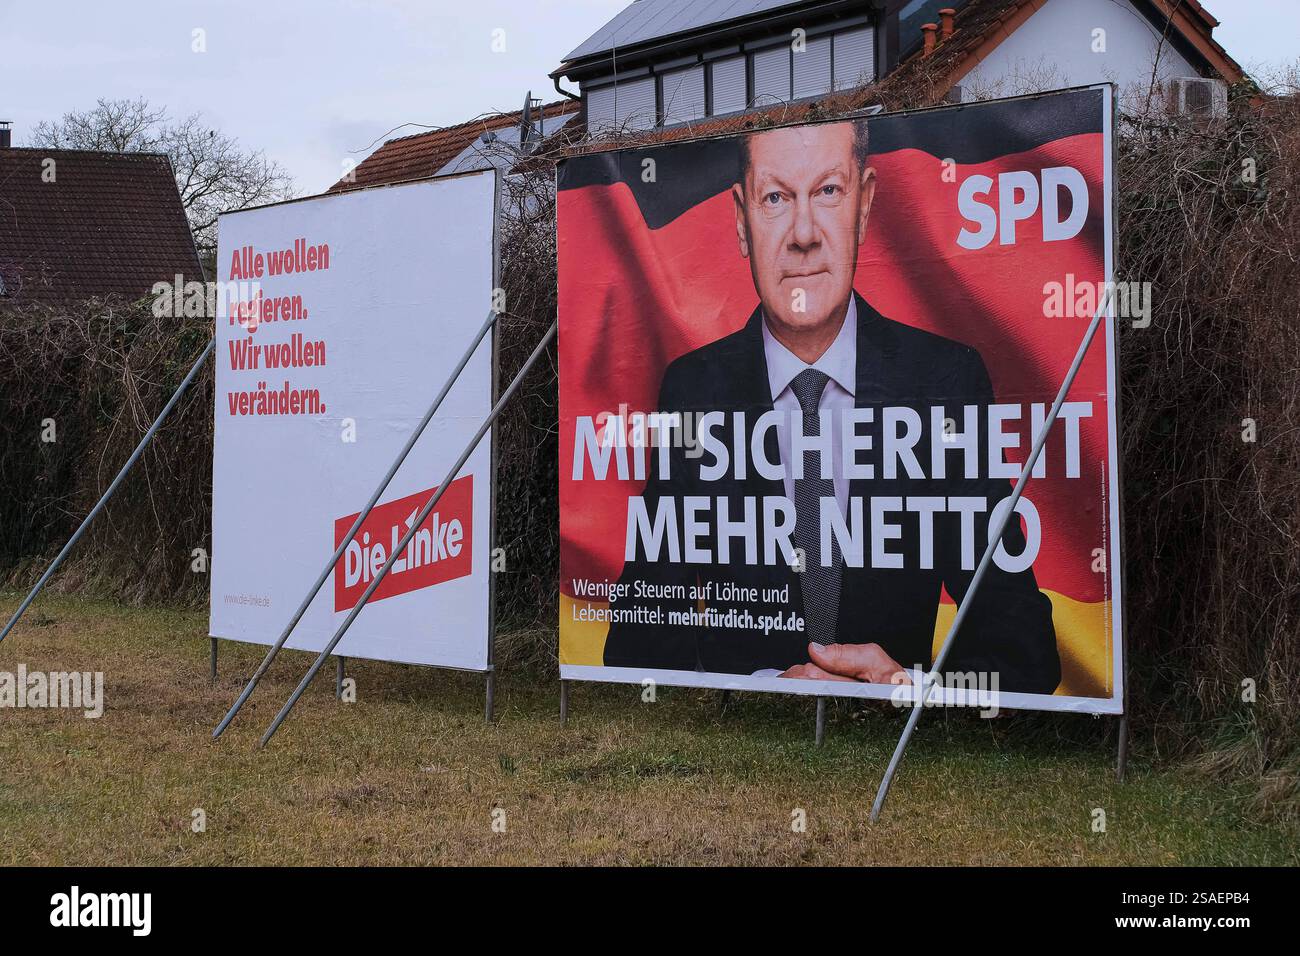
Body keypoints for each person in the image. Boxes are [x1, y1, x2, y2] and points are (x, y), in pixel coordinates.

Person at [602, 119, 1060, 695]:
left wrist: (906, 687)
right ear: (742, 220)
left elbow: (1022, 649)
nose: (803, 233)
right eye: (775, 198)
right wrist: (764, 687)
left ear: (864, 204)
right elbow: (638, 638)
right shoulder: (695, 390)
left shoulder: (944, 380)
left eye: (827, 192)